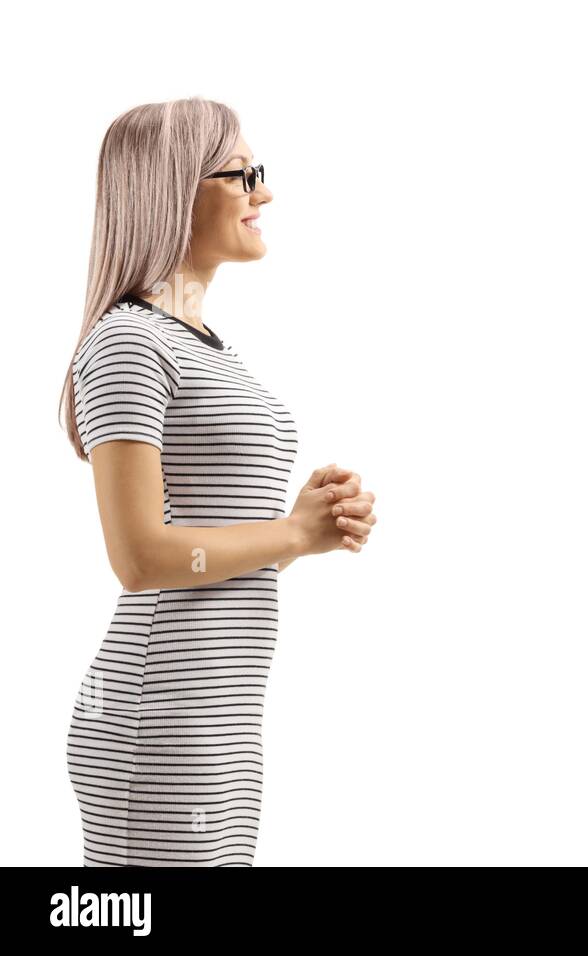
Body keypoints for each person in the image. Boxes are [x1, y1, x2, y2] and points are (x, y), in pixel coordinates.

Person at [58, 97, 378, 866]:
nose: (262, 194)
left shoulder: (207, 348)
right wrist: (293, 532)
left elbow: (210, 554)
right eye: (242, 175)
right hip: (162, 716)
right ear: (174, 187)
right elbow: (139, 558)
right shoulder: (131, 340)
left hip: (221, 718)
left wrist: (306, 531)